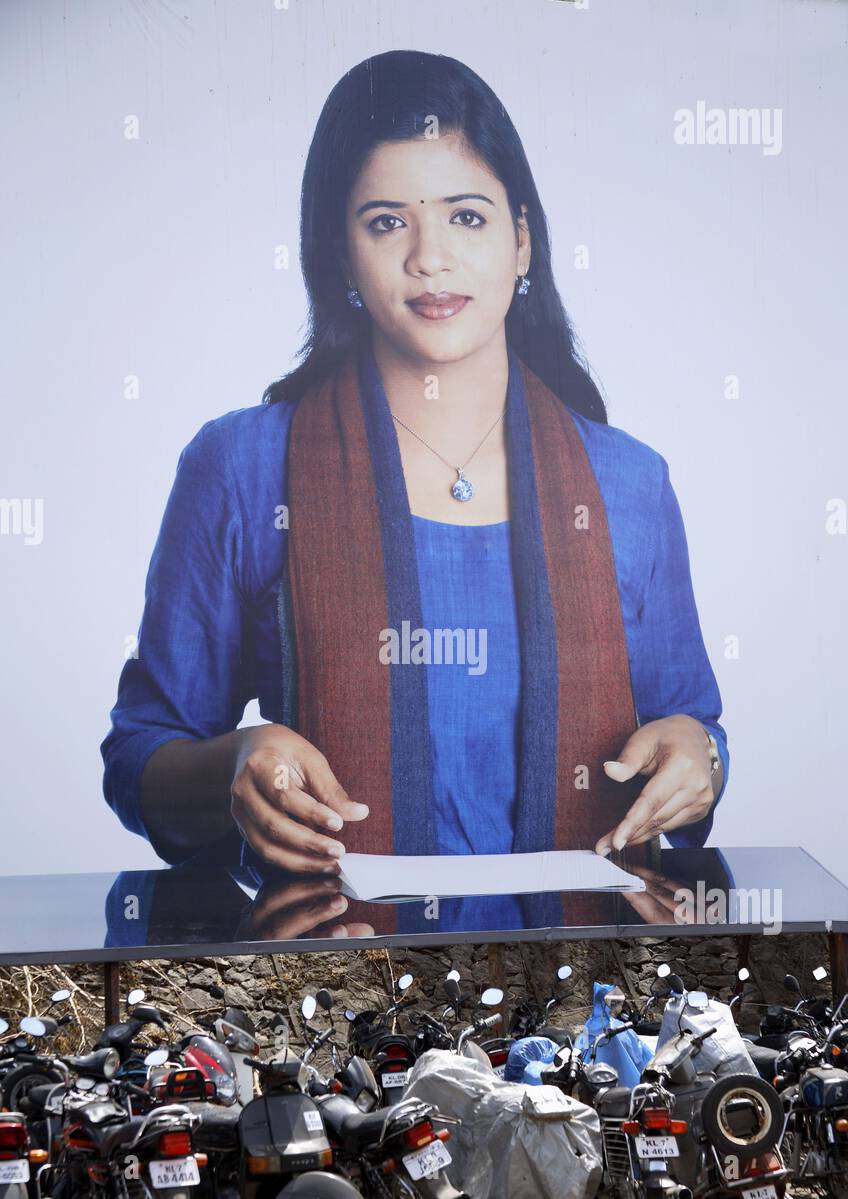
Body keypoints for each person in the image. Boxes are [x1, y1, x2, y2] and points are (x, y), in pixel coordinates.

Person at [101, 50, 729, 938]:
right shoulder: (242, 466)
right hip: (333, 980)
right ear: (338, 254)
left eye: (466, 217)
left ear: (522, 240)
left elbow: (692, 733)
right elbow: (140, 757)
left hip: (586, 987)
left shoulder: (629, 482)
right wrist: (235, 761)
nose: (431, 258)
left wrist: (702, 759)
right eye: (387, 221)